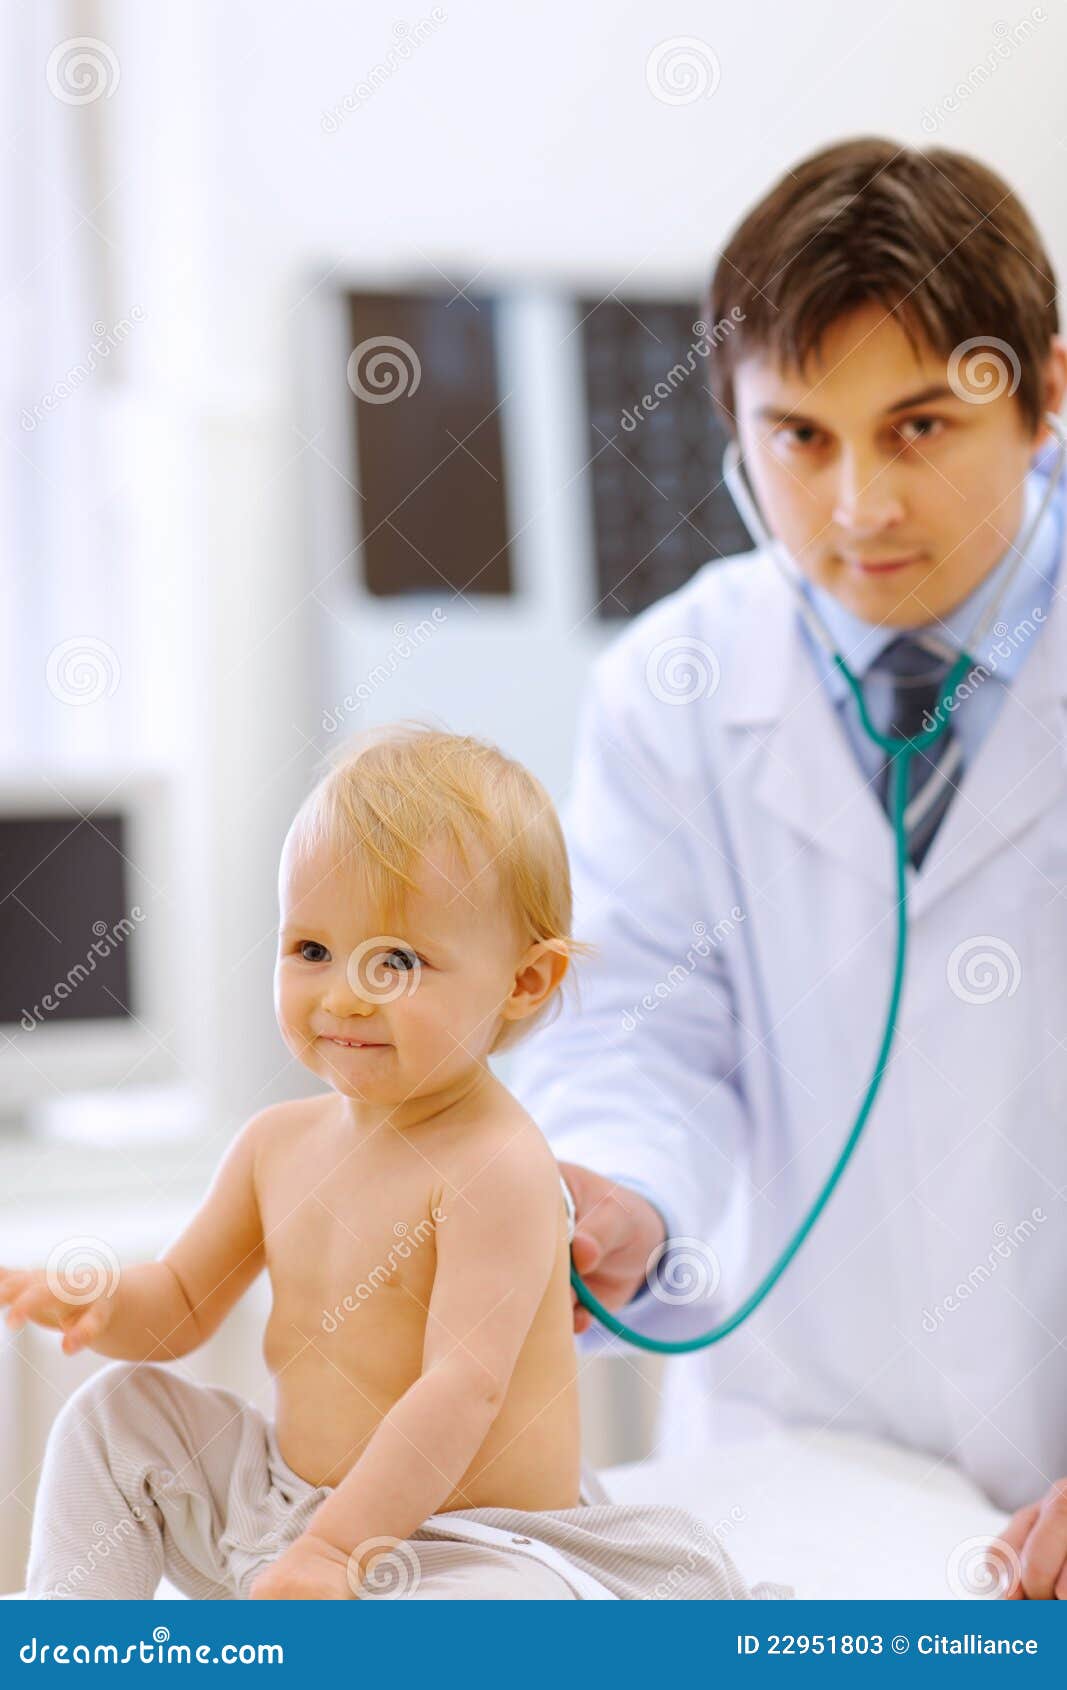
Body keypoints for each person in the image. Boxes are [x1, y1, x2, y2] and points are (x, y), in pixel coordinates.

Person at [508, 137, 1067, 1601]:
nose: (859, 507)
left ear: (1045, 395)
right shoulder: (671, 687)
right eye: (799, 438)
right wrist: (619, 1191)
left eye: (921, 426)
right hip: (799, 1473)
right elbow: (642, 1032)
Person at [7, 726, 786, 1602]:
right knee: (117, 1414)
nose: (342, 993)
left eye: (396, 962)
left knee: (505, 1611)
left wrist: (342, 1553)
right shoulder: (274, 1145)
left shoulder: (498, 1165)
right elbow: (181, 1309)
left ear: (524, 983)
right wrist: (104, 1300)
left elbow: (463, 1390)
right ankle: (74, 1637)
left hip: (469, 1544)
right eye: (310, 949)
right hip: (283, 1510)